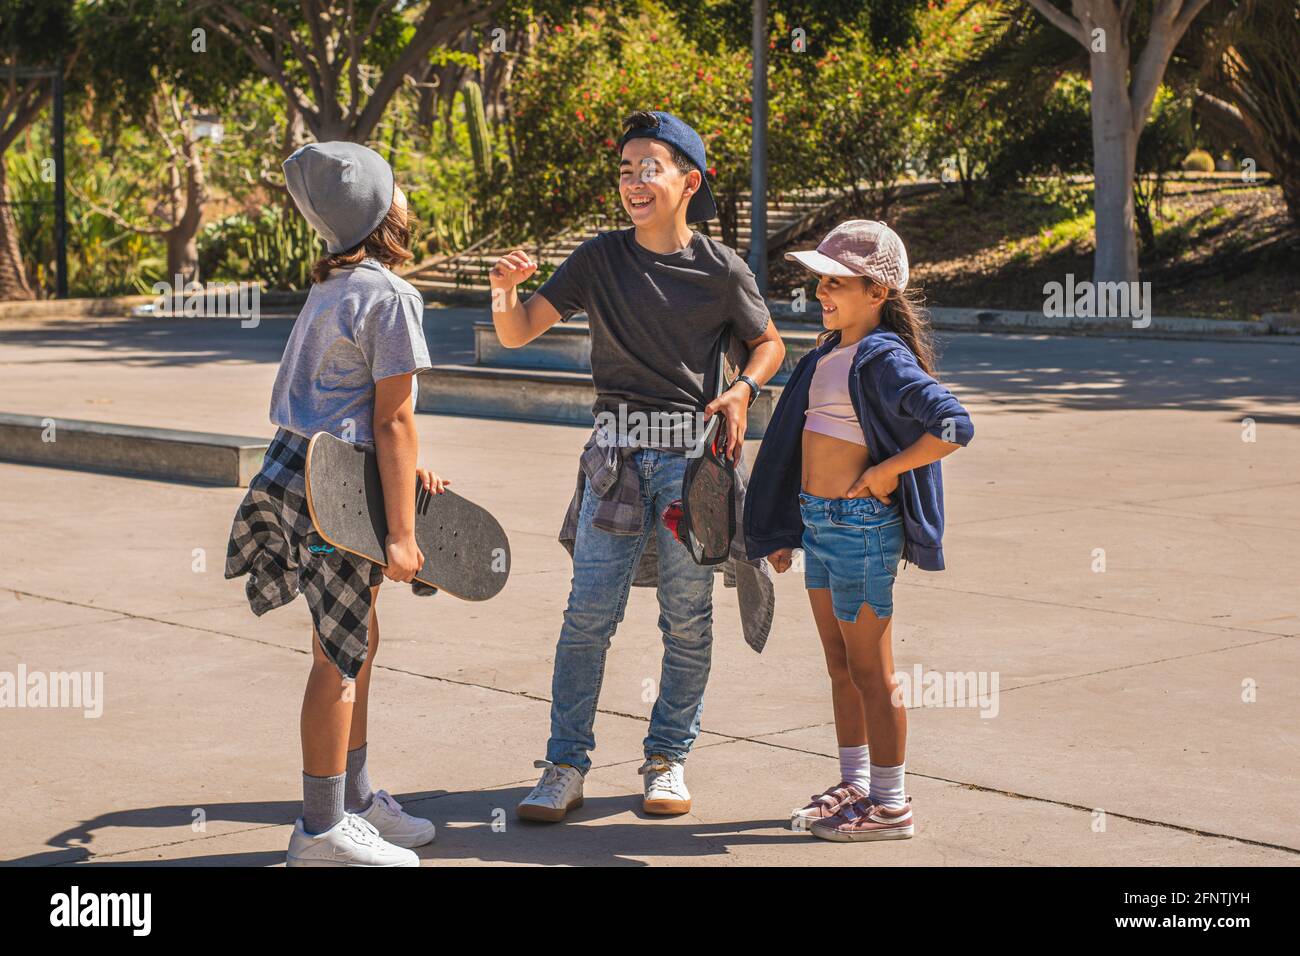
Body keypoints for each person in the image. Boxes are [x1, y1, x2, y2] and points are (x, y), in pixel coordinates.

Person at [488, 110, 786, 822]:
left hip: (693, 464)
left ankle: (667, 759)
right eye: (624, 170)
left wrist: (742, 390)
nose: (632, 181)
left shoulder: (720, 270)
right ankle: (564, 766)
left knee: (686, 619)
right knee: (587, 616)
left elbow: (769, 343)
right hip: (614, 460)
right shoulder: (599, 258)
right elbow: (520, 329)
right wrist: (505, 290)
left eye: (647, 167)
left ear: (690, 181)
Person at [225, 142, 443, 866]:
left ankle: (355, 798)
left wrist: (409, 474)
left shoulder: (333, 286)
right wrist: (405, 534)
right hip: (334, 495)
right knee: (337, 656)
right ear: (384, 212)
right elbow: (392, 420)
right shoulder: (389, 295)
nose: (409, 198)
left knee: (357, 637)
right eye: (400, 189)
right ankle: (319, 830)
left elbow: (343, 402)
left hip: (296, 469)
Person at [744, 220, 974, 842]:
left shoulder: (882, 357)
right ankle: (856, 783)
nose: (822, 293)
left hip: (861, 528)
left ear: (876, 292)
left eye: (837, 283)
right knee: (840, 665)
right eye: (820, 281)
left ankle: (891, 805)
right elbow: (798, 445)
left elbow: (954, 425)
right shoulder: (828, 350)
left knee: (872, 670)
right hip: (821, 524)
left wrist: (885, 472)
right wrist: (784, 527)